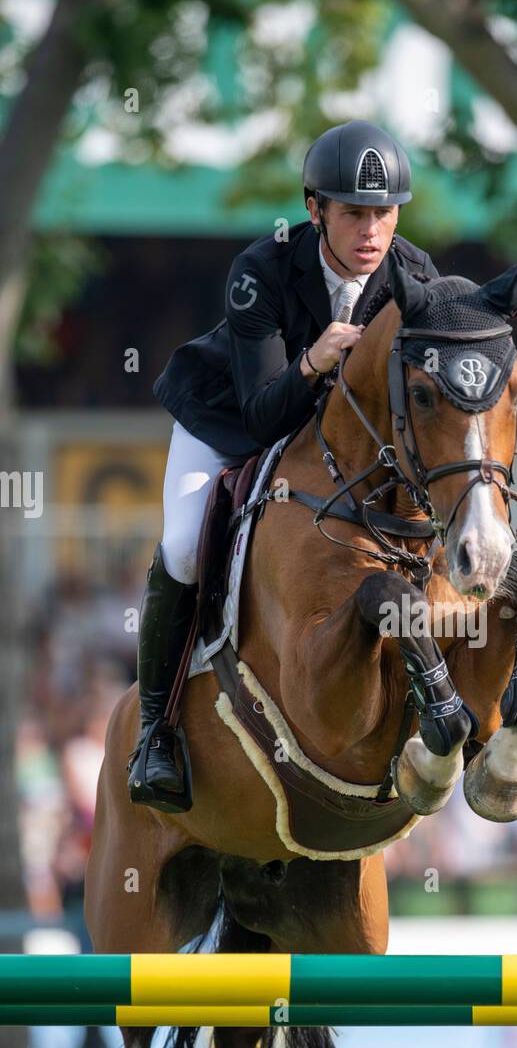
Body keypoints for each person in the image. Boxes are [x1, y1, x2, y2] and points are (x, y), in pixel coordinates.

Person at [129, 120, 438, 812]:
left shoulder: (413, 277)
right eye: (353, 212)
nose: (370, 231)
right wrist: (314, 360)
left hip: (333, 447)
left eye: (383, 213)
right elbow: (265, 415)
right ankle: (157, 732)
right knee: (182, 548)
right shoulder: (260, 271)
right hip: (229, 422)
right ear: (313, 210)